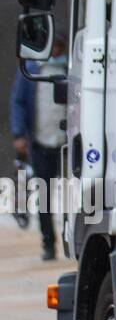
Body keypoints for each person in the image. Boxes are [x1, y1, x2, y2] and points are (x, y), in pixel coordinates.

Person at [10, 35, 68, 260]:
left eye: (58, 47)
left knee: (76, 197)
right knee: (44, 195)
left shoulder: (70, 68)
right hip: (41, 141)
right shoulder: (32, 71)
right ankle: (49, 243)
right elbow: (18, 102)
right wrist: (19, 133)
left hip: (67, 144)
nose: (55, 51)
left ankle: (74, 239)